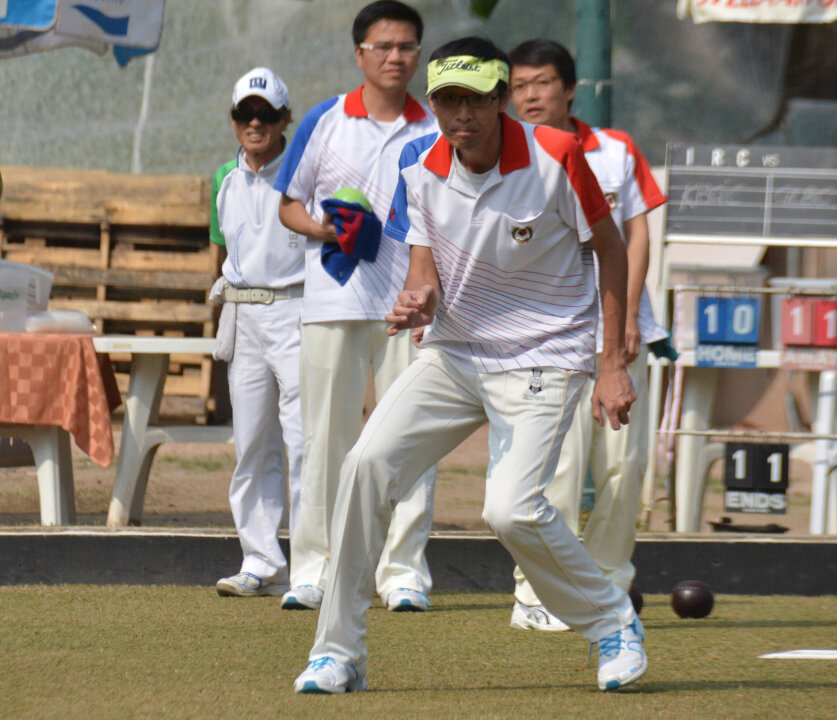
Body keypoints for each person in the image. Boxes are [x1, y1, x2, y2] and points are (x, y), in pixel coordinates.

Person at [292, 36, 646, 694]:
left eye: (475, 99)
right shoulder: (422, 167)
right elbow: (425, 273)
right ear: (435, 102)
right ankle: (337, 652)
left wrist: (611, 361)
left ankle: (612, 622)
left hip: (544, 353)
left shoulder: (556, 157)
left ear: (500, 100)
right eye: (448, 99)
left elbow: (611, 247)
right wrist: (417, 301)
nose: (461, 114)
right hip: (455, 353)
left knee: (510, 511)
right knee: (365, 466)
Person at [273, 1, 439, 613]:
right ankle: (314, 569)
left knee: (410, 442)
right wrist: (327, 231)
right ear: (359, 53)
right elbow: (288, 203)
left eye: (408, 47)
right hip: (332, 302)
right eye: (384, 47)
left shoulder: (435, 127)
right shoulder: (325, 120)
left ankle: (403, 573)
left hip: (409, 309)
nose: (397, 58)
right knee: (325, 441)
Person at [505, 39, 668, 631]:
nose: (530, 96)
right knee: (556, 472)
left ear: (569, 89)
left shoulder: (617, 150)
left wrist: (625, 322)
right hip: (551, 341)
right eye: (519, 85)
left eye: (542, 83)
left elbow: (637, 235)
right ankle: (536, 594)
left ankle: (606, 586)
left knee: (624, 469)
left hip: (623, 337)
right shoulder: (508, 156)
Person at [210, 67, 305, 598]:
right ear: (233, 120)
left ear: (284, 118)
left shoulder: (305, 171)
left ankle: (311, 563)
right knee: (251, 442)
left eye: (266, 114)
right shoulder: (226, 178)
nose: (255, 122)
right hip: (245, 315)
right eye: (246, 114)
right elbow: (226, 254)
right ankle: (262, 560)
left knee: (303, 441)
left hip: (296, 309)